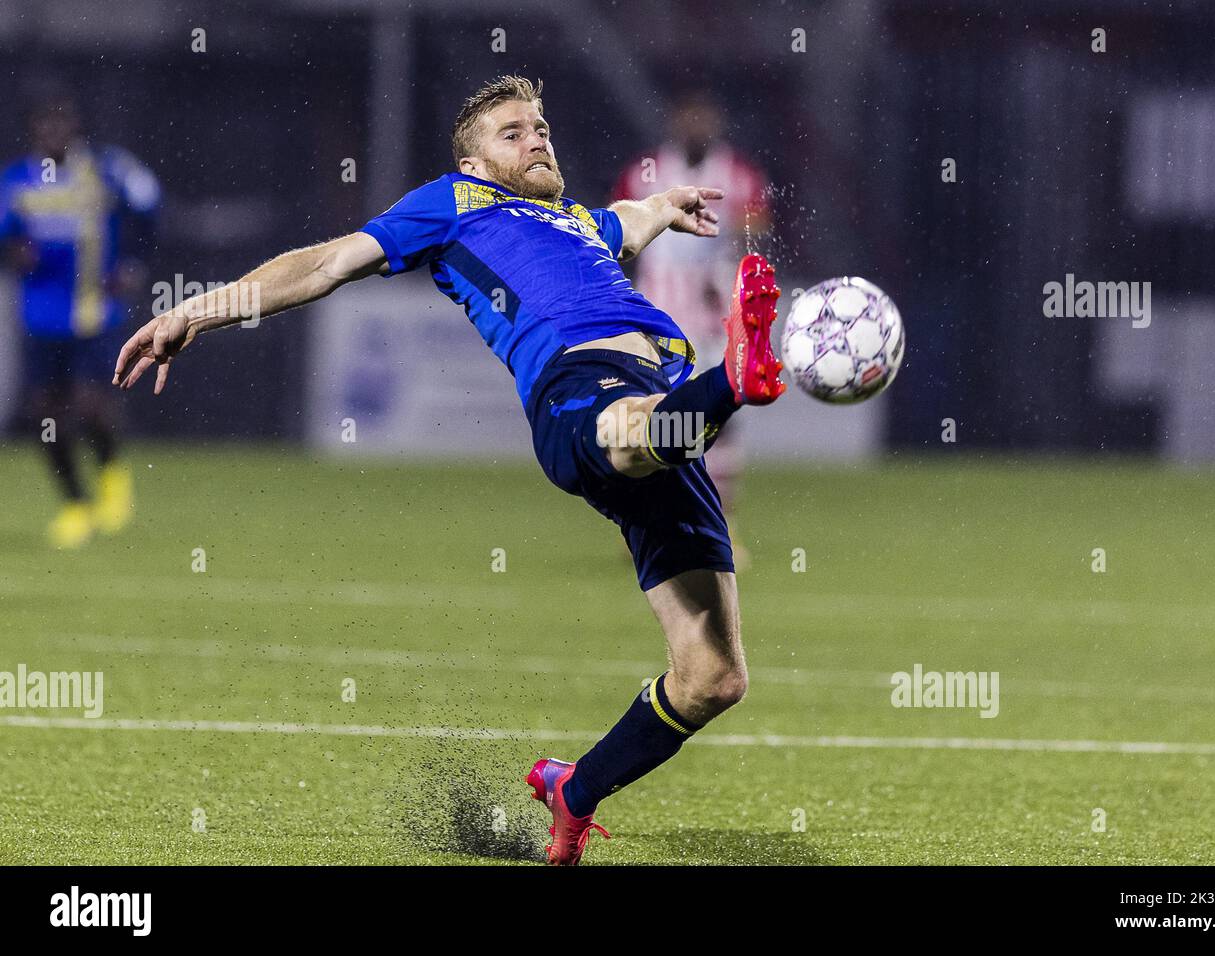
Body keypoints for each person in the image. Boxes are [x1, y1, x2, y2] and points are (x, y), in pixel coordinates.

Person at [112, 76, 785, 865]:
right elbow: (326, 263)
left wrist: (665, 204)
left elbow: (626, 224)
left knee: (712, 677)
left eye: (541, 127)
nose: (537, 138)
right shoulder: (453, 203)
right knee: (632, 433)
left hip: (662, 411)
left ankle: (575, 789)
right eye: (512, 132)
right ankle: (732, 380)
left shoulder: (574, 222)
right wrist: (197, 310)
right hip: (580, 389)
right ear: (472, 159)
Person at [611, 90, 770, 563]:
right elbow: (614, 235)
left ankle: (723, 527)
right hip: (654, 314)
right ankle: (645, 526)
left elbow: (756, 238)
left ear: (717, 122)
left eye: (706, 116)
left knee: (718, 422)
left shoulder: (739, 175)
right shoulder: (645, 172)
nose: (697, 124)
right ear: (675, 121)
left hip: (714, 316)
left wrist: (730, 269)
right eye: (689, 115)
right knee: (647, 418)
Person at [1, 88, 159, 547]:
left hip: (95, 313)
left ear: (76, 127)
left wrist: (133, 263)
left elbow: (151, 209)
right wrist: (13, 253)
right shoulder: (18, 182)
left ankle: (112, 476)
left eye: (62, 121)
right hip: (41, 317)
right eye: (45, 122)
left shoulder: (108, 170)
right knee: (44, 416)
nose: (54, 131)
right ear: (33, 129)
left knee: (91, 404)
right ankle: (75, 504)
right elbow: (6, 238)